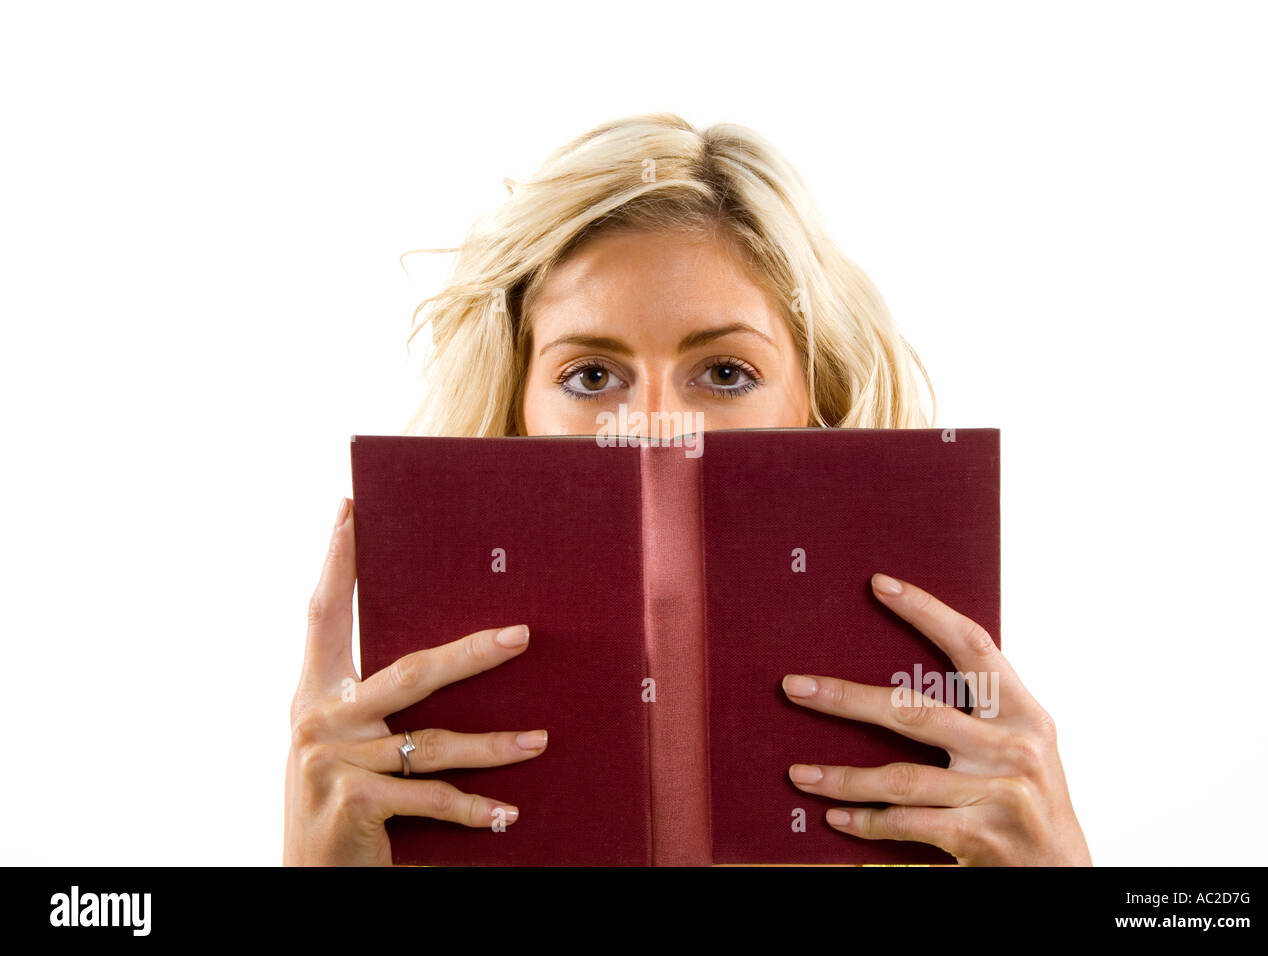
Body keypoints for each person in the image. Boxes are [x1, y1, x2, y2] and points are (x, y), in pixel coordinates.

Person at [283, 113, 1092, 866]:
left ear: (818, 403)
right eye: (591, 375)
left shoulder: (965, 774)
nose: (655, 425)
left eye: (726, 372)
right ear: (515, 407)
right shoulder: (395, 778)